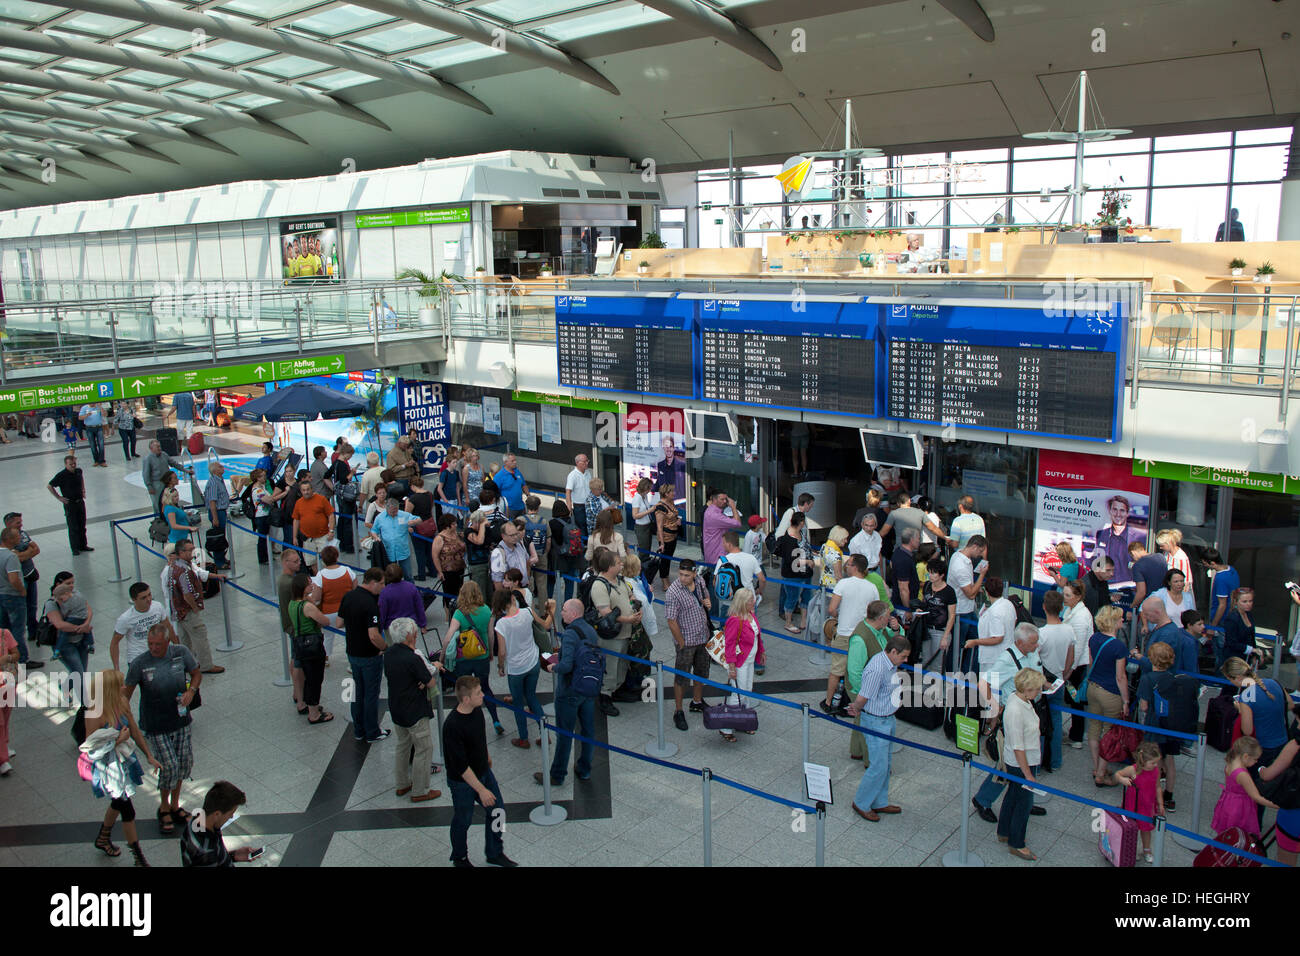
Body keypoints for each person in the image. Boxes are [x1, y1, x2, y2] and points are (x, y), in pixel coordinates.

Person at [123, 622, 201, 835]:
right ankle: (164, 806)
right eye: (150, 643)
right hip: (156, 725)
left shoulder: (181, 653)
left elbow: (196, 673)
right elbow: (126, 694)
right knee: (169, 766)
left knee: (184, 764)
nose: (153, 648)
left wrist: (191, 692)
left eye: (158, 644)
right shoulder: (140, 663)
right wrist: (121, 721)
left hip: (181, 720)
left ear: (168, 642)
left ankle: (175, 805)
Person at [85, 668, 160, 865]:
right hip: (109, 768)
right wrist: (118, 740)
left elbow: (134, 729)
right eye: (119, 684)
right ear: (109, 689)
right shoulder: (94, 714)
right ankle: (138, 857)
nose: (124, 687)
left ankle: (103, 838)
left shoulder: (122, 702)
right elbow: (90, 749)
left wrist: (149, 756)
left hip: (124, 763)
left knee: (118, 802)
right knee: (128, 810)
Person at [444, 675, 517, 867]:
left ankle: (495, 851)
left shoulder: (476, 711)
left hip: (483, 771)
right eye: (478, 693)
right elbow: (460, 767)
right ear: (466, 699)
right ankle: (459, 857)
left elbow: (479, 737)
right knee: (463, 820)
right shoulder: (452, 726)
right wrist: (482, 790)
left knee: (498, 811)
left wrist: (486, 755)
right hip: (463, 782)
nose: (482, 695)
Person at [845, 635, 910, 822]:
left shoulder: (890, 663)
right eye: (903, 657)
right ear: (893, 652)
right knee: (878, 766)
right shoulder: (877, 668)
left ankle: (880, 801)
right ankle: (862, 802)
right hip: (875, 721)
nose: (905, 661)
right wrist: (855, 709)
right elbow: (864, 696)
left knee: (886, 764)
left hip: (887, 718)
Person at [540, 599, 598, 786]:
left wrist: (552, 667)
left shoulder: (571, 634)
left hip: (570, 690)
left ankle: (557, 774)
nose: (562, 613)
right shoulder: (590, 630)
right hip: (588, 688)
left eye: (564, 610)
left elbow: (566, 666)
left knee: (564, 734)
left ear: (573, 613)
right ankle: (585, 769)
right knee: (588, 730)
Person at [382, 616, 441, 802]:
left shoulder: (389, 654)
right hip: (414, 710)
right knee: (424, 749)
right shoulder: (412, 657)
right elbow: (430, 681)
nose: (416, 635)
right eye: (414, 633)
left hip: (396, 708)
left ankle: (402, 784)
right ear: (409, 636)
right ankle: (420, 790)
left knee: (403, 746)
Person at [1134, 641, 1195, 812]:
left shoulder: (1147, 679)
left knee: (1155, 762)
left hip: (1155, 725)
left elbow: (1144, 706)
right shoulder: (1172, 678)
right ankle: (1169, 796)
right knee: (1170, 761)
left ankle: (1154, 796)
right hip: (1171, 726)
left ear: (1152, 659)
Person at [998, 668, 1048, 861]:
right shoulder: (1016, 710)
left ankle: (1004, 831)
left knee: (1013, 795)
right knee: (1024, 803)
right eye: (1036, 689)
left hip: (1020, 761)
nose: (1038, 692)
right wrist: (1028, 775)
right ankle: (1017, 843)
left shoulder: (1017, 699)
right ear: (1027, 689)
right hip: (1022, 763)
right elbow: (1019, 747)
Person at [445, 581, 503, 736]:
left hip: (463, 657)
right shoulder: (486, 611)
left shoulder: (459, 613)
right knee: (485, 688)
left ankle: (467, 722)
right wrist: (490, 652)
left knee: (463, 690)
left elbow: (449, 636)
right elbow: (491, 634)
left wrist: (443, 654)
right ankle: (496, 720)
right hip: (481, 656)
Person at [493, 589, 549, 749]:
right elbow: (543, 625)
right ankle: (543, 732)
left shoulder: (502, 624)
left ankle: (523, 738)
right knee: (531, 696)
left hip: (516, 668)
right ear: (512, 598)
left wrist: (500, 666)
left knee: (518, 703)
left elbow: (502, 651)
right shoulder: (527, 612)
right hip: (533, 662)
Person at [337, 567, 387, 743]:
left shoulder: (348, 596)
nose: (383, 587)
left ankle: (359, 729)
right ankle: (372, 731)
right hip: (369, 655)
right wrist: (385, 647)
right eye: (381, 583)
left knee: (356, 693)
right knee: (371, 694)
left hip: (352, 652)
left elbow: (339, 622)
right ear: (372, 583)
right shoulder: (370, 604)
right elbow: (373, 635)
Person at [824, 554, 879, 713]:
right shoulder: (872, 588)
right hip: (862, 636)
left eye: (848, 564)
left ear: (855, 567)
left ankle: (829, 702)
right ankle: (857, 704)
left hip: (843, 632)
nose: (846, 566)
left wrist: (838, 616)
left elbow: (832, 609)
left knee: (836, 670)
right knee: (858, 670)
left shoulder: (843, 584)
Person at [664, 559, 713, 730]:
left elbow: (706, 596)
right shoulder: (673, 592)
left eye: (687, 575)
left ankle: (697, 701)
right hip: (686, 641)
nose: (683, 578)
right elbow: (671, 621)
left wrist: (708, 602)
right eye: (681, 574)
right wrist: (682, 643)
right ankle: (678, 711)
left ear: (694, 573)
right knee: (681, 677)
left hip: (703, 637)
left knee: (701, 672)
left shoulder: (699, 581)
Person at [589, 549, 639, 715]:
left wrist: (636, 610)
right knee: (610, 664)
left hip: (625, 633)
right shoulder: (599, 586)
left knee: (621, 663)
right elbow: (606, 614)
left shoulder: (619, 580)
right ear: (610, 566)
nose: (622, 564)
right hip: (612, 635)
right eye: (618, 563)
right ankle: (605, 696)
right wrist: (629, 619)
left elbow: (631, 596)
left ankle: (618, 688)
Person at [1086, 605, 1130, 786]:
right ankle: (1101, 774)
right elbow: (1120, 677)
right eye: (1120, 618)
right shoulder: (1119, 647)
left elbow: (1090, 663)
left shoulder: (1094, 638)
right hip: (1110, 692)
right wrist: (1126, 700)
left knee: (1094, 727)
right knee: (1110, 732)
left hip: (1092, 688)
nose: (1123, 620)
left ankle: (1097, 767)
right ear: (1113, 622)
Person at [169, 538, 224, 675]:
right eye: (190, 550)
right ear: (181, 552)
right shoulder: (184, 571)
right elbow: (187, 594)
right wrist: (194, 608)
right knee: (200, 637)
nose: (193, 552)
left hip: (178, 611)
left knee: (184, 640)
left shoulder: (174, 567)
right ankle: (206, 665)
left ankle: (187, 664)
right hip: (187, 611)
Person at [1036, 590, 1075, 772]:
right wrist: (1065, 674)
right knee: (1056, 720)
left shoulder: (1042, 633)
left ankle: (1039, 759)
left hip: (1043, 683)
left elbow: (1034, 661)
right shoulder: (1068, 630)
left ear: (1044, 607)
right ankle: (1055, 761)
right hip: (1059, 680)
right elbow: (1071, 656)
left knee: (1039, 722)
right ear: (1061, 608)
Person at [287, 573, 332, 724]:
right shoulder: (307, 607)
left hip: (300, 644)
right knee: (314, 679)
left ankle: (307, 704)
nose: (312, 584)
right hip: (313, 646)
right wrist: (312, 602)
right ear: (302, 587)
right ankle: (314, 713)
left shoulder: (293, 603)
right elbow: (325, 621)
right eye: (308, 583)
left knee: (308, 676)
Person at [180, 781, 259, 866]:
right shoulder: (206, 852)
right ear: (217, 814)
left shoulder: (197, 821)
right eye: (231, 813)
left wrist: (233, 855)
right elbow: (210, 857)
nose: (232, 817)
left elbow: (216, 856)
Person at [1212, 736, 1278, 838]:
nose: (1256, 762)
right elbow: (1256, 797)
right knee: (1240, 835)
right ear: (1246, 756)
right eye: (1255, 759)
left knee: (1227, 834)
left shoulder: (1231, 762)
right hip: (1240, 807)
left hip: (1228, 803)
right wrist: (1277, 805)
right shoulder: (1243, 774)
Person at [1112, 741, 1165, 863]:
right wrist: (1122, 779)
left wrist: (1161, 804)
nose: (1155, 765)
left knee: (1146, 829)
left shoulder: (1156, 771)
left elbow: (1158, 787)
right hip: (1133, 805)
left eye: (1156, 762)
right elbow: (1118, 774)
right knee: (1132, 829)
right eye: (1153, 763)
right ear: (1143, 761)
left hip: (1147, 806)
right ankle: (1131, 849)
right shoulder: (1133, 769)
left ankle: (1147, 850)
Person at [719, 587, 760, 743]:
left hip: (749, 660)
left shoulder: (751, 615)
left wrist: (760, 652)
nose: (753, 602)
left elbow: (757, 636)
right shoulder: (735, 620)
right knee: (738, 694)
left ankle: (741, 721)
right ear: (743, 602)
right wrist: (731, 667)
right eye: (751, 600)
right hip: (740, 662)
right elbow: (729, 645)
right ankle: (726, 727)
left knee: (746, 691)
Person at [44, 571, 93, 694]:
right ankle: (85, 706)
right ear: (58, 584)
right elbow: (59, 624)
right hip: (65, 645)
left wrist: (86, 624)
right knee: (79, 675)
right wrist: (81, 628)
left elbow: (87, 609)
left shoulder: (76, 594)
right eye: (68, 583)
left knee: (80, 673)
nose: (71, 586)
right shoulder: (52, 603)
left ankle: (65, 687)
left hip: (81, 640)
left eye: (72, 583)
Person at [947, 536, 989, 672]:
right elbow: (970, 593)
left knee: (973, 641)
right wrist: (982, 575)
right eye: (980, 551)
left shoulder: (959, 556)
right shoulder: (960, 566)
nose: (981, 555)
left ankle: (966, 671)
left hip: (967, 609)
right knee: (958, 646)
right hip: (961, 612)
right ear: (975, 547)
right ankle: (956, 673)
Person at [111, 582, 173, 673]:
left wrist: (177, 646)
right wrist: (116, 668)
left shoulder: (158, 607)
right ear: (134, 599)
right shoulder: (125, 618)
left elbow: (168, 627)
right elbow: (114, 643)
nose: (148, 599)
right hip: (138, 659)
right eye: (143, 598)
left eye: (149, 594)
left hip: (158, 655)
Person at [1061, 578, 1094, 749]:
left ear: (1078, 596)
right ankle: (1075, 734)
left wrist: (1069, 670)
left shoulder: (1081, 617)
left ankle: (1077, 736)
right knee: (1074, 701)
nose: (1064, 597)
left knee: (1076, 701)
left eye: (1067, 595)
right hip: (1073, 664)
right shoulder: (1071, 610)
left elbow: (1079, 647)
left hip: (1077, 666)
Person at [0, 528, 38, 671]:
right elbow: (14, 579)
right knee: (18, 629)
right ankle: (22, 659)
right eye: (17, 537)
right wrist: (22, 591)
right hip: (13, 596)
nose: (20, 539)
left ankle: (5, 654)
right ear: (9, 539)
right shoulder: (11, 557)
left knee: (4, 628)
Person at [1258, 738, 1300, 866]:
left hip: (1293, 815)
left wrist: (1261, 769)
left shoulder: (1295, 745)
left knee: (1286, 861)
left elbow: (1267, 775)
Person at [275, 549, 308, 714]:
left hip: (291, 625)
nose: (299, 563)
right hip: (296, 627)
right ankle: (300, 696)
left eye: (299, 560)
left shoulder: (283, 579)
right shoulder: (289, 583)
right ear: (285, 563)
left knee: (295, 658)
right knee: (298, 661)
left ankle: (297, 692)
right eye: (295, 561)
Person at [3, 512, 40, 653]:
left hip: (30, 575)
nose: (21, 525)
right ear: (8, 524)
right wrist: (27, 553)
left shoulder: (23, 534)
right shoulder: (6, 540)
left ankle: (33, 631)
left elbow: (36, 549)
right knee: (20, 614)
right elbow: (16, 558)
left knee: (32, 606)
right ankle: (20, 651)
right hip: (19, 581)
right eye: (18, 522)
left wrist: (24, 554)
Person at [966, 576, 1016, 678]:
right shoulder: (1008, 604)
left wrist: (975, 642)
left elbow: (998, 638)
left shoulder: (995, 612)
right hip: (1006, 654)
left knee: (990, 690)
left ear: (987, 592)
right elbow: (1014, 620)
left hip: (993, 659)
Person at [311, 545, 354, 659]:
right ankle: (351, 660)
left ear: (323, 560)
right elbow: (355, 591)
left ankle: (326, 658)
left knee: (327, 636)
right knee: (349, 636)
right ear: (337, 556)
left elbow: (317, 596)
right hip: (347, 611)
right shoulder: (348, 571)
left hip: (328, 612)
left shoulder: (320, 575)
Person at [1092, 495, 1146, 585]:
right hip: (1107, 585)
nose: (1118, 514)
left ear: (1127, 513)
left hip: (1129, 587)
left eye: (1122, 510)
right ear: (1110, 511)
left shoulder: (1139, 537)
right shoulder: (1101, 534)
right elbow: (1099, 560)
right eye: (1115, 509)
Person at [46, 454, 91, 554]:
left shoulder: (79, 471)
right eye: (71, 464)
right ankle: (74, 548)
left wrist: (83, 489)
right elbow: (50, 486)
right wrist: (59, 497)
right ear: (66, 464)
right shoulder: (61, 475)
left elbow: (81, 479)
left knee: (82, 525)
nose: (73, 466)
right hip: (70, 504)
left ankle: (83, 545)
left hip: (80, 502)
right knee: (73, 527)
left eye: (74, 463)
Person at [714, 530, 765, 614]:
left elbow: (715, 581)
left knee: (727, 626)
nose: (722, 545)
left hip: (729, 603)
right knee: (748, 626)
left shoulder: (723, 561)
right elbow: (762, 579)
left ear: (729, 544)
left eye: (723, 543)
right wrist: (759, 590)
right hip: (747, 602)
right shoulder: (751, 558)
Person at [368, 496, 417, 582]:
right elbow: (374, 530)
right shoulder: (380, 517)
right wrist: (376, 537)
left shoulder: (403, 515)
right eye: (392, 511)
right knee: (390, 577)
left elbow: (416, 520)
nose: (394, 513)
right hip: (388, 551)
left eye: (396, 510)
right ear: (387, 509)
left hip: (403, 550)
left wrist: (410, 526)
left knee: (408, 575)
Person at [920, 557, 957, 668]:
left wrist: (945, 637)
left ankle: (936, 685)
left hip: (940, 631)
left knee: (937, 664)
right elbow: (924, 603)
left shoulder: (949, 591)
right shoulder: (927, 586)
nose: (930, 575)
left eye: (933, 573)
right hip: (926, 628)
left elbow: (952, 615)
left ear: (941, 575)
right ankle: (925, 684)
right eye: (929, 572)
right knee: (925, 661)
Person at [431, 514, 467, 624]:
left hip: (459, 568)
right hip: (447, 571)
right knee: (448, 594)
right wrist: (439, 571)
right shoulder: (439, 538)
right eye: (453, 524)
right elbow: (435, 556)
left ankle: (458, 614)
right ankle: (449, 616)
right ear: (447, 526)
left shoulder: (456, 534)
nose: (456, 525)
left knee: (459, 592)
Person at [141, 439, 188, 517]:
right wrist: (149, 487)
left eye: (159, 446)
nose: (159, 448)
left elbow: (174, 463)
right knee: (157, 503)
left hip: (166, 482)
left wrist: (185, 470)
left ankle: (172, 517)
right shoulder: (148, 459)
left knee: (170, 500)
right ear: (151, 449)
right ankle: (159, 519)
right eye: (157, 447)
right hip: (156, 484)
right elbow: (146, 474)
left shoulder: (164, 455)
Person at [292, 478, 336, 561]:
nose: (306, 492)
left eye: (308, 489)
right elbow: (296, 520)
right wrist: (294, 537)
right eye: (304, 490)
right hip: (308, 539)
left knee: (326, 560)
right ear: (301, 491)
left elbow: (331, 515)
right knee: (310, 562)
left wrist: (331, 531)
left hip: (323, 537)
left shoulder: (321, 499)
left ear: (312, 489)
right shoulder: (298, 503)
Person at [548, 500, 583, 602]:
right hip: (573, 555)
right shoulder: (573, 521)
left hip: (558, 557)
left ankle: (549, 604)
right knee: (569, 582)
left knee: (551, 581)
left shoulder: (552, 523)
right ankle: (567, 604)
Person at [379, 562, 426, 635]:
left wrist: (380, 628)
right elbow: (419, 607)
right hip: (410, 625)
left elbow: (382, 612)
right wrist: (423, 624)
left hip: (392, 627)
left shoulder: (385, 592)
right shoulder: (411, 587)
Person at [492, 519, 536, 593]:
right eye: (512, 535)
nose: (515, 537)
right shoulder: (498, 553)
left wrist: (527, 578)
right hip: (509, 593)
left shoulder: (520, 545)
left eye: (516, 534)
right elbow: (497, 581)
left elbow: (527, 562)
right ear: (503, 536)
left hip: (524, 588)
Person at [405, 474, 436, 579]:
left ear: (413, 486)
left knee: (419, 551)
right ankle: (433, 571)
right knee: (429, 549)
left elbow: (407, 514)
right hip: (429, 524)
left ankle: (421, 574)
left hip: (417, 527)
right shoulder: (430, 495)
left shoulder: (412, 499)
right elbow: (431, 508)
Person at [652, 484, 682, 591]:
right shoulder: (660, 507)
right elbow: (659, 526)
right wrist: (662, 543)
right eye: (672, 492)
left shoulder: (671, 502)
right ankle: (664, 581)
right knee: (664, 560)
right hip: (665, 537)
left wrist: (677, 520)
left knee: (668, 559)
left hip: (673, 535)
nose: (674, 493)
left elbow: (673, 516)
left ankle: (666, 578)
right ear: (666, 493)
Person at [250, 468, 283, 565]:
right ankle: (263, 558)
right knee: (262, 537)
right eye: (263, 476)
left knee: (266, 536)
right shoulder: (257, 490)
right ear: (257, 478)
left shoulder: (263, 487)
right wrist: (284, 494)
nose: (265, 478)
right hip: (261, 516)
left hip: (266, 514)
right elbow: (269, 500)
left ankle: (267, 555)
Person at [521, 497, 551, 599]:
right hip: (540, 554)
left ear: (526, 506)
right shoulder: (544, 521)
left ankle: (529, 608)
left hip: (525, 557)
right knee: (542, 585)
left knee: (527, 583)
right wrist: (545, 553)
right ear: (538, 507)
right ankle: (543, 612)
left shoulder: (520, 520)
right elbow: (548, 540)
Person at [202, 461, 231, 569]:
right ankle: (219, 562)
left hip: (221, 511)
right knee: (218, 537)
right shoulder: (214, 482)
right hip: (217, 512)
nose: (223, 467)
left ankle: (222, 558)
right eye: (220, 466)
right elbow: (212, 501)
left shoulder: (219, 480)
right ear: (215, 470)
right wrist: (215, 517)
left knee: (221, 536)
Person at [1221, 587, 1257, 667]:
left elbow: (1251, 637)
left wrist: (1254, 654)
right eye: (1244, 601)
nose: (1248, 604)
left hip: (1245, 658)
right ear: (1236, 602)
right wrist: (1252, 650)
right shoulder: (1232, 618)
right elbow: (1231, 642)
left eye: (1250, 601)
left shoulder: (1248, 614)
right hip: (1233, 659)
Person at [1129, 541, 1169, 610]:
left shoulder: (1137, 566)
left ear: (1133, 552)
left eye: (1131, 556)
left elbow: (1141, 592)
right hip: (1166, 600)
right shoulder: (1160, 557)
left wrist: (1132, 605)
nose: (1133, 558)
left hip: (1151, 604)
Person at [1204, 548, 1239, 628]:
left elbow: (1222, 605)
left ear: (1212, 563)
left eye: (1205, 563)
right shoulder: (1232, 570)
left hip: (1221, 620)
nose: (1204, 566)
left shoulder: (1221, 578)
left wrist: (1213, 626)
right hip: (1231, 615)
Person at [890, 527, 921, 610]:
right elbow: (903, 588)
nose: (919, 541)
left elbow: (891, 565)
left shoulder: (898, 551)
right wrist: (907, 610)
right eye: (918, 538)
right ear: (912, 540)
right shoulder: (904, 559)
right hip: (904, 603)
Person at [630, 477, 659, 556]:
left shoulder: (644, 496)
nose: (650, 490)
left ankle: (646, 565)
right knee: (643, 551)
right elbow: (635, 516)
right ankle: (642, 566)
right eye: (649, 488)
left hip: (648, 525)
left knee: (647, 549)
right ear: (645, 488)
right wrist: (649, 511)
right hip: (641, 527)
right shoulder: (637, 498)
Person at [651, 434, 686, 500]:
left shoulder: (682, 465)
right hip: (664, 501)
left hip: (678, 503)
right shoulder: (660, 465)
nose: (668, 449)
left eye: (670, 446)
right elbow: (659, 484)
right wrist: (648, 487)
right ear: (663, 448)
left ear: (673, 448)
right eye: (666, 447)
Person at [564, 453, 592, 534]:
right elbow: (568, 491)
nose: (587, 463)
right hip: (579, 506)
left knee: (589, 525)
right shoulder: (572, 475)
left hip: (589, 504)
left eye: (587, 461)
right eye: (584, 461)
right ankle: (583, 544)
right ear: (577, 463)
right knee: (581, 525)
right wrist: (569, 506)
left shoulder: (588, 473)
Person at [79, 401, 107, 467]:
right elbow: (80, 417)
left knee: (101, 444)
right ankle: (96, 460)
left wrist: (100, 407)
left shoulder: (98, 407)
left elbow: (105, 414)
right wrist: (86, 415)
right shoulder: (84, 408)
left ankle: (102, 460)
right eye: (92, 403)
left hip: (98, 427)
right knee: (92, 445)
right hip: (89, 428)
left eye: (94, 403)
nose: (93, 404)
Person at [461, 447, 485, 511]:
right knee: (469, 515)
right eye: (473, 456)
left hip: (479, 495)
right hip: (470, 495)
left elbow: (483, 481)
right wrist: (467, 498)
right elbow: (464, 484)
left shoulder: (481, 466)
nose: (475, 458)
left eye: (476, 456)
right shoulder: (466, 468)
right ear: (470, 457)